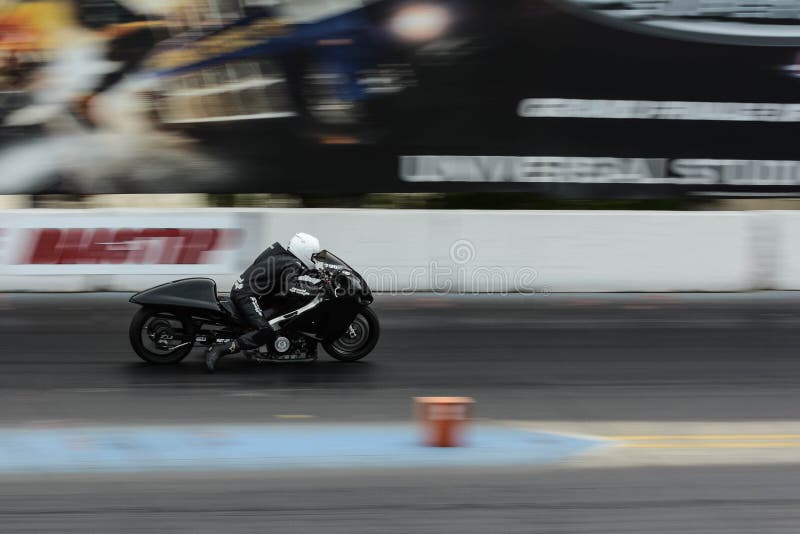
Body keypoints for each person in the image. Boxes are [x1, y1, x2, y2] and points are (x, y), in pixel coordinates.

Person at [206, 232, 326, 372]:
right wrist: (315, 291)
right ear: (304, 251)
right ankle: (220, 349)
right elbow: (291, 287)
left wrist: (319, 275)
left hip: (248, 291)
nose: (313, 259)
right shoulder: (292, 263)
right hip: (246, 295)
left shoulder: (285, 257)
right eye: (313, 255)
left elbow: (291, 278)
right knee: (265, 331)